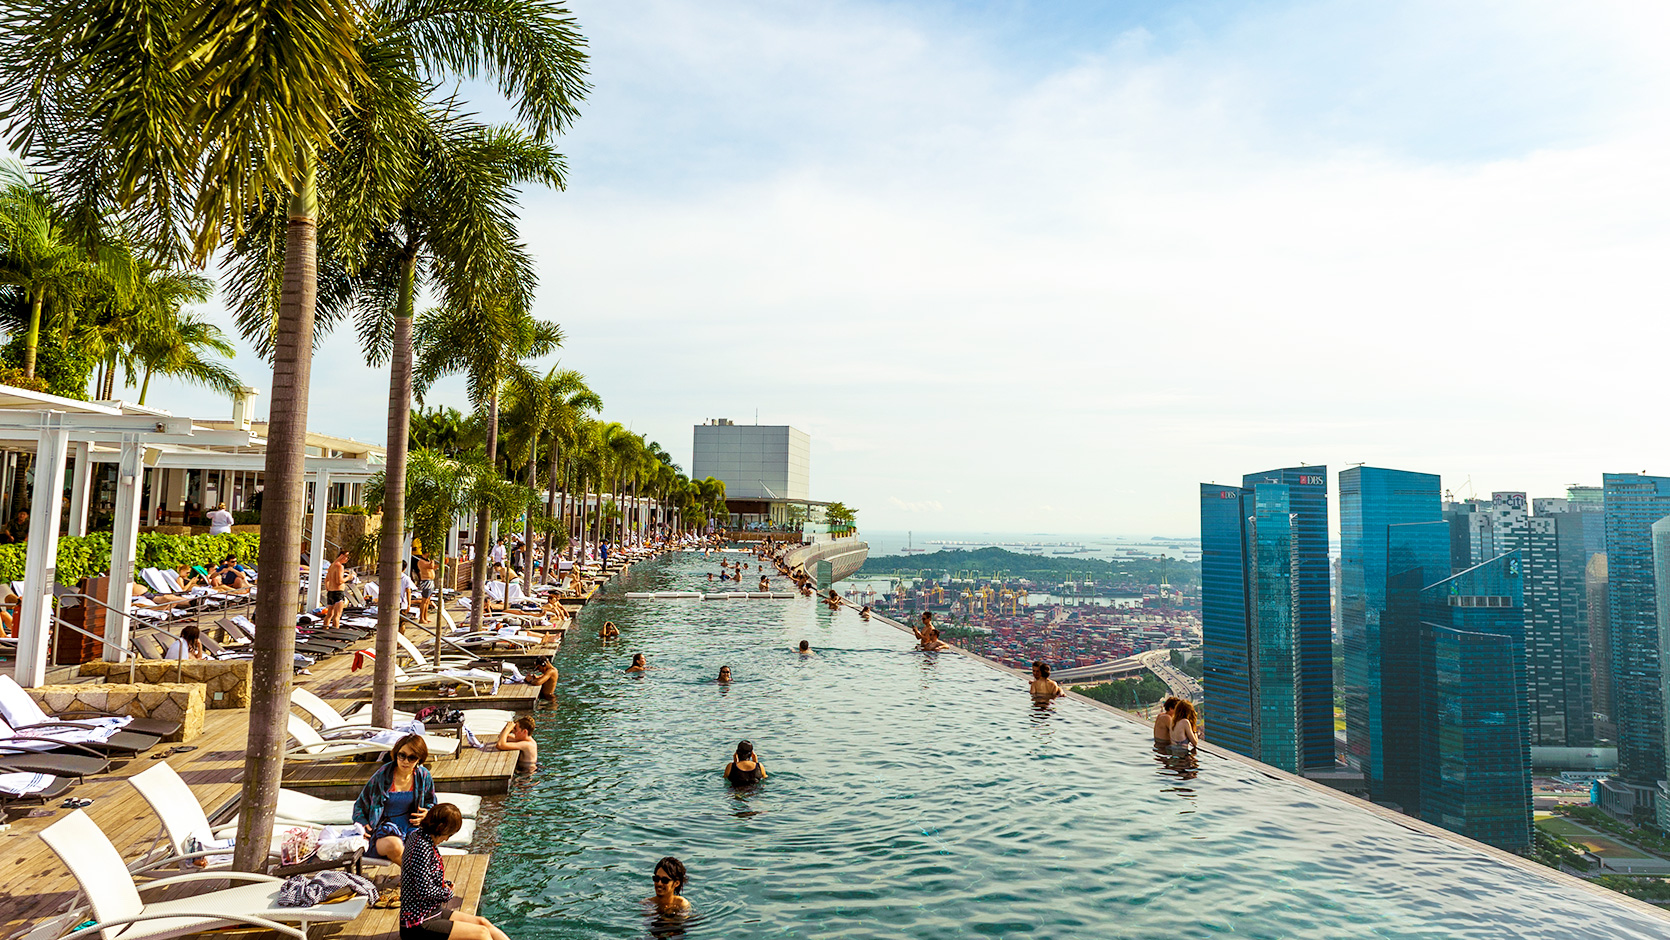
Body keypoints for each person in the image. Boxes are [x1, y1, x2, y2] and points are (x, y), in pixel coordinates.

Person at [400, 803, 511, 940]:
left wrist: (442, 884)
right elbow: (424, 891)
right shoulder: (421, 847)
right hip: (418, 924)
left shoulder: (421, 837)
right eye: (449, 834)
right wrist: (447, 893)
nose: (447, 838)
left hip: (432, 912)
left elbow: (422, 877)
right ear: (441, 828)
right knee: (481, 934)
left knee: (483, 923)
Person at [352, 734, 437, 865]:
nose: (405, 761)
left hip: (411, 829)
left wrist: (427, 813)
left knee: (423, 845)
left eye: (412, 757)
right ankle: (420, 881)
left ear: (419, 759)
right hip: (382, 832)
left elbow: (431, 803)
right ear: (396, 754)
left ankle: (421, 880)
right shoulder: (382, 776)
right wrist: (362, 825)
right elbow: (359, 806)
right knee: (395, 845)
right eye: (402, 755)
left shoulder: (423, 776)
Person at [323, 549, 350, 628]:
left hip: (331, 592)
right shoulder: (339, 566)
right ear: (342, 556)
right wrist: (349, 577)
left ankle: (325, 631)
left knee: (329, 615)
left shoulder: (332, 565)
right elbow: (339, 581)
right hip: (338, 593)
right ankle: (335, 635)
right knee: (337, 616)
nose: (347, 559)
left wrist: (328, 588)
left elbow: (326, 579)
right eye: (347, 557)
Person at [413, 551, 438, 624]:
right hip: (426, 582)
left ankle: (425, 617)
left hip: (430, 582)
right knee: (424, 601)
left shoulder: (427, 562)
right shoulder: (421, 562)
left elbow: (433, 568)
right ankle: (421, 618)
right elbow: (430, 566)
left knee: (427, 601)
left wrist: (442, 564)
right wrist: (432, 559)